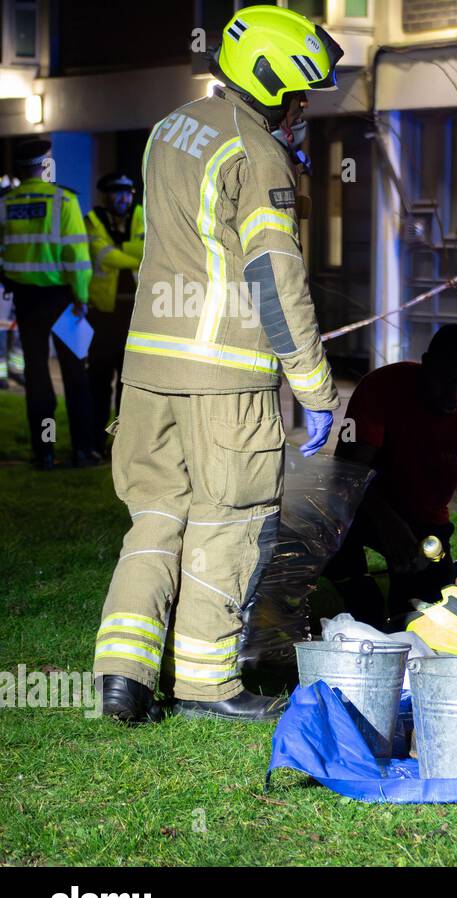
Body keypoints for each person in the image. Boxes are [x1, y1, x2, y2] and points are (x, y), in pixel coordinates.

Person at [94, 6, 344, 724]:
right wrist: (314, 386)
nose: (302, 110)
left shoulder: (172, 128)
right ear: (270, 84)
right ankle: (206, 683)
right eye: (299, 95)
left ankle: (123, 676)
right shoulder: (256, 152)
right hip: (225, 374)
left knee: (154, 517)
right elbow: (274, 278)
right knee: (228, 520)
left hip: (146, 371)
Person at [326, 324, 457, 629]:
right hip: (365, 506)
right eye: (446, 382)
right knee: (330, 534)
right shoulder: (382, 388)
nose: (454, 395)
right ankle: (357, 596)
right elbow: (348, 473)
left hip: (425, 518)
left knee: (423, 609)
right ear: (426, 364)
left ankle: (395, 617)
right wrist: (389, 525)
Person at [0, 139, 96, 469]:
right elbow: (78, 258)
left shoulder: (5, 203)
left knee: (38, 378)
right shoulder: (63, 200)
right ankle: (83, 450)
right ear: (44, 166)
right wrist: (82, 297)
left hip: (27, 302)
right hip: (65, 300)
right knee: (75, 376)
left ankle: (46, 450)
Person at [85, 172, 145, 454]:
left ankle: (123, 447)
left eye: (128, 192)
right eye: (116, 192)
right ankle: (95, 443)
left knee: (129, 387)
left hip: (135, 314)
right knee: (98, 382)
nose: (123, 197)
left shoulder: (143, 216)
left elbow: (149, 250)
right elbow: (103, 256)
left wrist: (118, 250)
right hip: (102, 315)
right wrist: (131, 251)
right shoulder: (92, 220)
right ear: (105, 195)